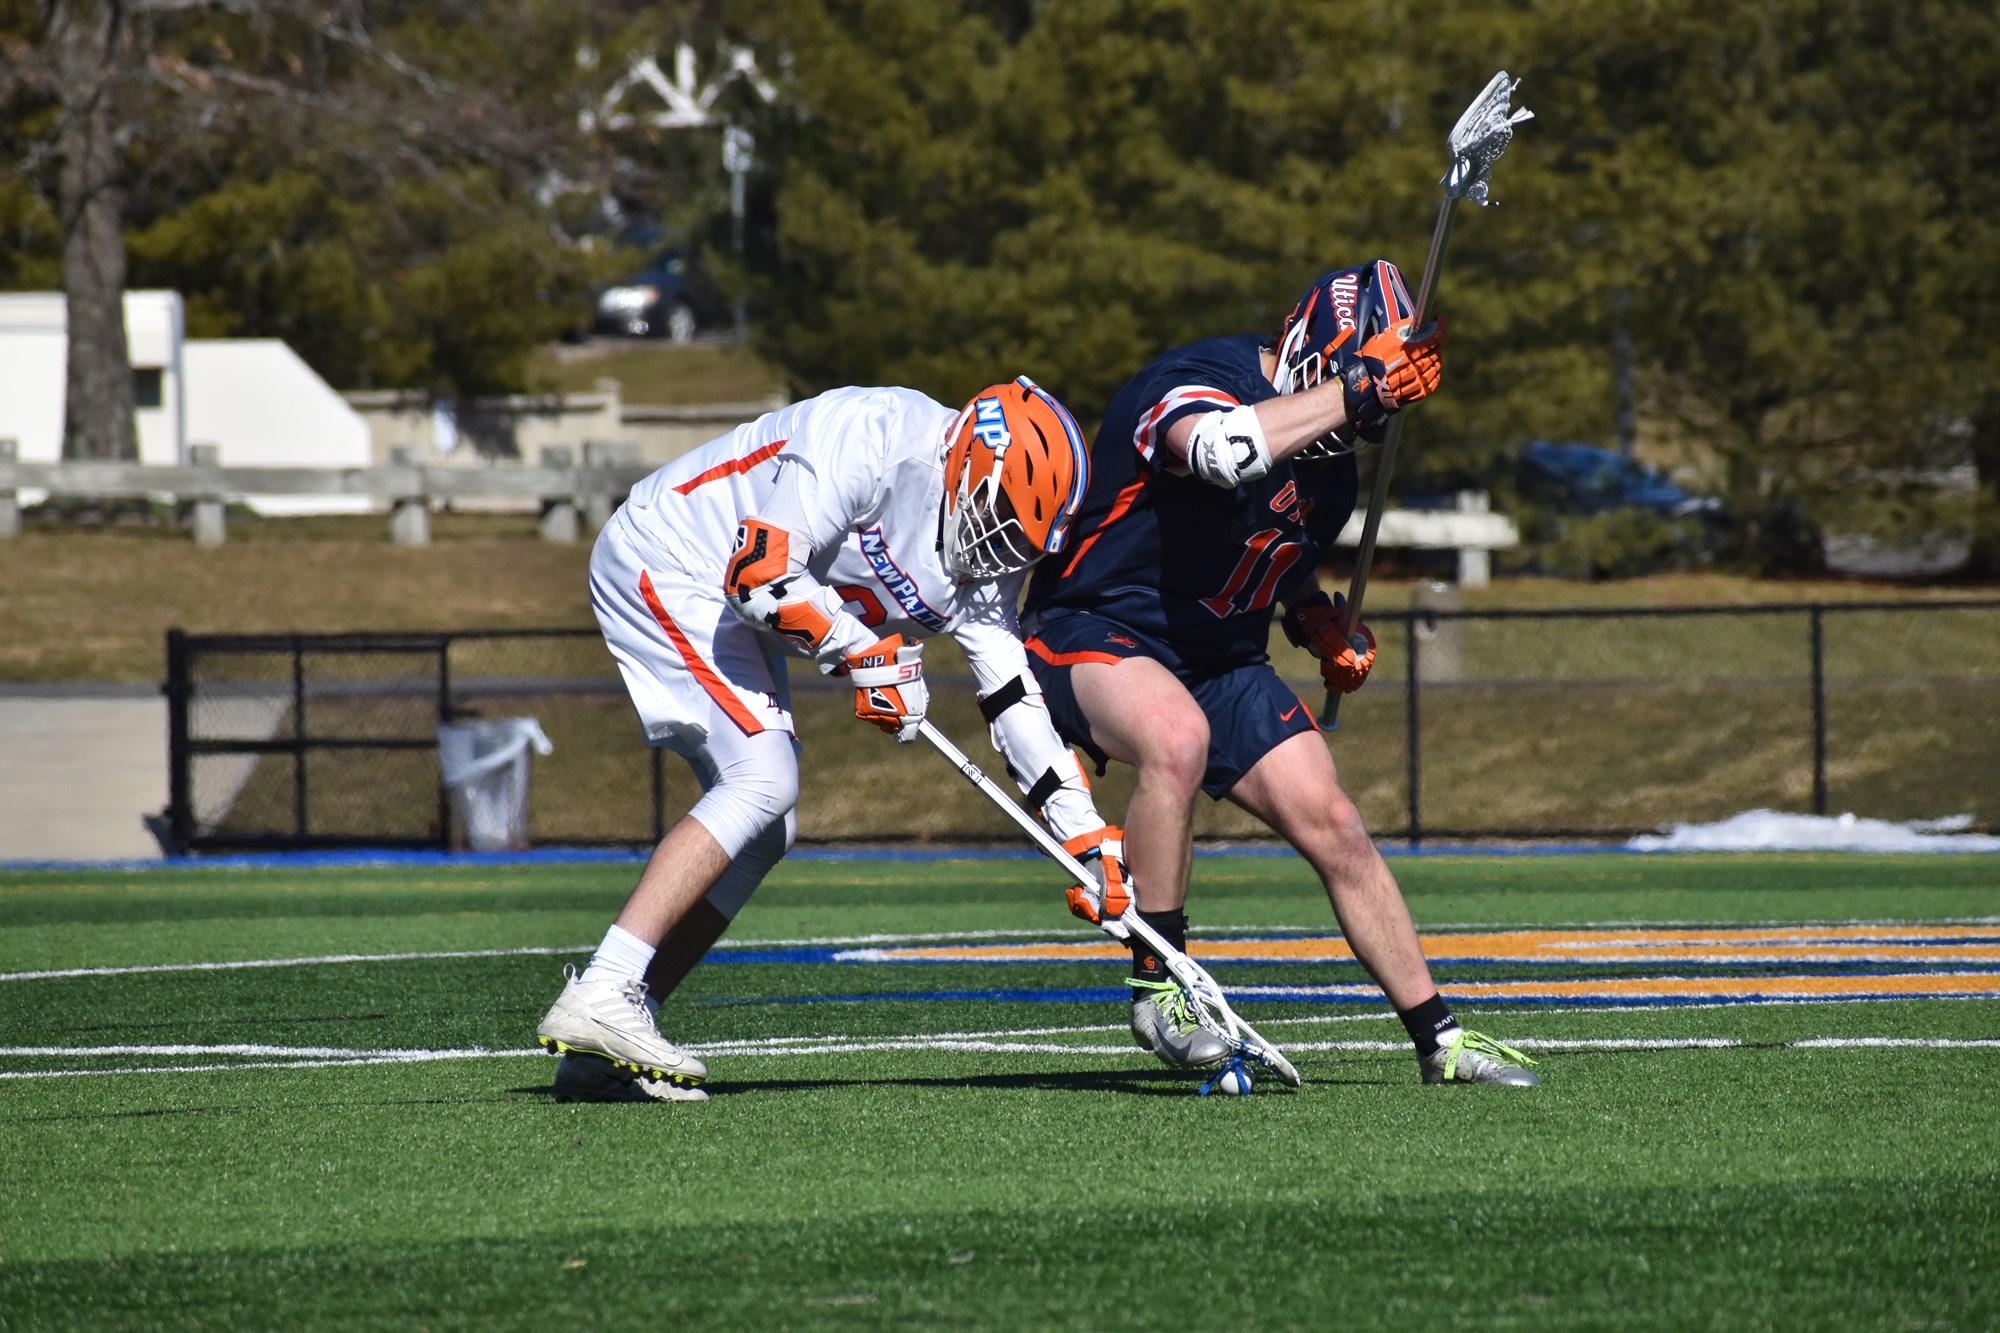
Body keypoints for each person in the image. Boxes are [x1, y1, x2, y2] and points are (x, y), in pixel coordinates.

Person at [535, 377, 1134, 1103]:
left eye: (1019, 540)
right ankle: (606, 987)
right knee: (763, 778)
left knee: (767, 829)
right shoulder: (873, 432)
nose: (995, 547)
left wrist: (1084, 834)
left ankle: (612, 1039)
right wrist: (863, 653)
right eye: (998, 516)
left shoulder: (988, 558)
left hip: (720, 595)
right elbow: (759, 572)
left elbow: (1012, 696)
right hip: (670, 554)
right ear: (968, 454)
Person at [1019, 260, 1538, 1085]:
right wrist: (1359, 389)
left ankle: (1439, 1036)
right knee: (1176, 739)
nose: (1355, 422)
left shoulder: (1328, 467)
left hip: (1218, 655)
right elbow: (1223, 451)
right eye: (1349, 382)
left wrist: (1314, 616)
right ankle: (1161, 986)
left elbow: (1272, 549)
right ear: (1313, 351)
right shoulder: (1192, 379)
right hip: (1093, 624)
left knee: (1333, 818)